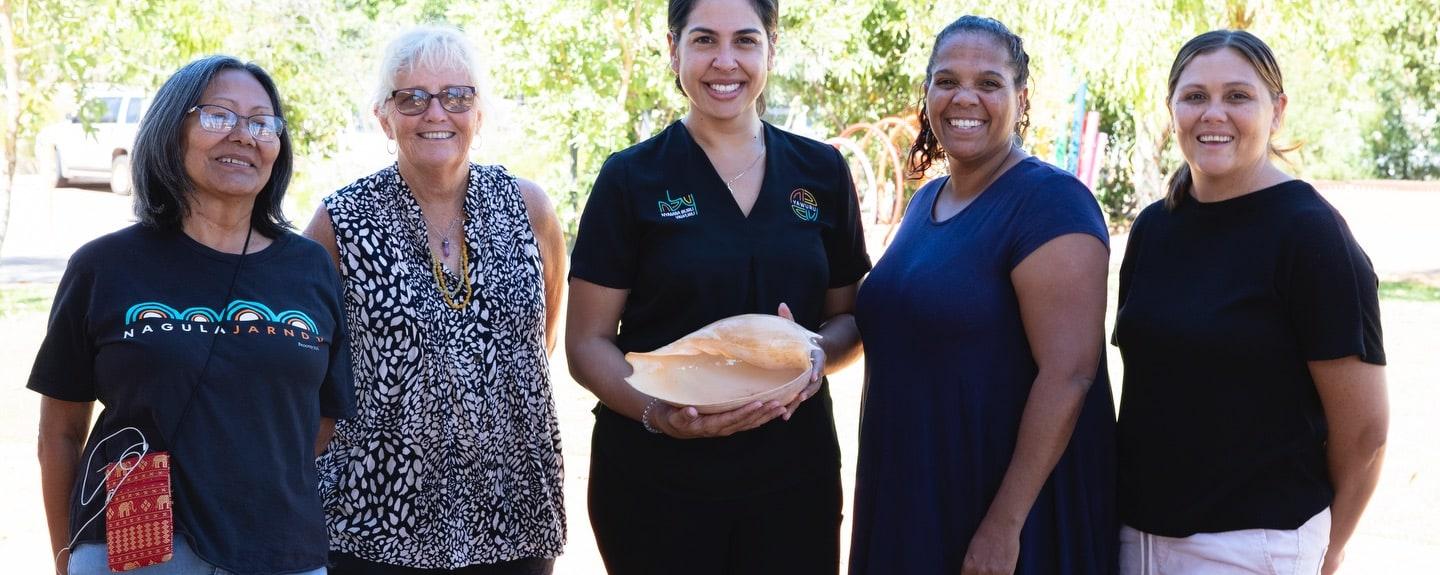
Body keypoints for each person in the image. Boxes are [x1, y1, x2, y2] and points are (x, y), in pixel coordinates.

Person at [565, 0, 870, 572]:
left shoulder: (822, 171)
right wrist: (659, 414)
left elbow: (850, 318)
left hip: (792, 481)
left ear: (771, 49)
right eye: (704, 39)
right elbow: (586, 344)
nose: (724, 61)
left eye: (745, 40)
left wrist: (816, 353)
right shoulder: (630, 178)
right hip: (656, 486)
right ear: (673, 49)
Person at [32, 55, 354, 575]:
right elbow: (60, 433)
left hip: (278, 550)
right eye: (218, 115)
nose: (243, 135)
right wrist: (65, 559)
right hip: (136, 546)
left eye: (262, 122)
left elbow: (320, 420)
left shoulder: (309, 267)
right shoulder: (104, 265)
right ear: (171, 129)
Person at [849, 16, 1117, 575]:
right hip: (910, 489)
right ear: (927, 94)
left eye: (989, 83)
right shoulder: (926, 202)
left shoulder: (1051, 204)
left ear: (1021, 99)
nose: (964, 97)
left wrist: (1004, 525)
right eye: (947, 81)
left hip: (997, 507)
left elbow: (1069, 375)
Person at [1113, 29, 1388, 574]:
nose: (1213, 113)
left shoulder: (1310, 234)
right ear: (1172, 109)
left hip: (1252, 547)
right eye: (1195, 96)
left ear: (1277, 111)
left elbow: (1365, 433)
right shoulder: (1154, 228)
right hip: (1133, 538)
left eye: (1237, 96)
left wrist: (1327, 550)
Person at [302, 25, 568, 575]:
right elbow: (306, 366)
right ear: (384, 117)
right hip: (375, 518)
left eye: (457, 96)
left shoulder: (530, 209)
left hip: (513, 509)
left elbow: (541, 340)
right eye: (412, 98)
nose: (436, 113)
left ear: (479, 112)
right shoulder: (339, 222)